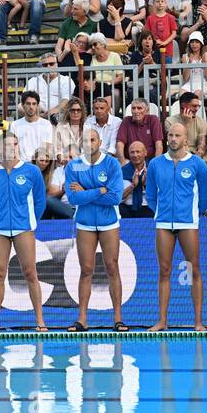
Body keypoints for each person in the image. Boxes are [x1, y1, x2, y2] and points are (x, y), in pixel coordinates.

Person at [145, 121, 207, 331]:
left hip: (188, 223)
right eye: (170, 135)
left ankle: (198, 321)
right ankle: (162, 321)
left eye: (177, 136)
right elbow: (150, 194)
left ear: (186, 139)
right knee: (164, 270)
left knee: (193, 270)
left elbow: (206, 194)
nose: (173, 139)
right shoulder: (156, 164)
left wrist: (193, 214)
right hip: (164, 223)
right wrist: (159, 212)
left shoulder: (197, 164)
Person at [0, 134, 47, 333]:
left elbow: (40, 201)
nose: (12, 148)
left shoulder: (31, 171)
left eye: (15, 144)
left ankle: (40, 321)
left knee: (30, 273)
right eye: (8, 145)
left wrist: (30, 221)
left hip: (23, 227)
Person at [65, 128, 127, 332]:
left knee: (112, 267)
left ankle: (117, 318)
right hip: (85, 223)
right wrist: (100, 190)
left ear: (100, 142)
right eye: (85, 140)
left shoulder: (111, 164)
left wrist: (87, 193)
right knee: (86, 270)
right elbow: (74, 199)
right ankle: (82, 319)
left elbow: (115, 198)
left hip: (109, 222)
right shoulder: (74, 166)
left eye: (92, 139)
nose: (89, 143)